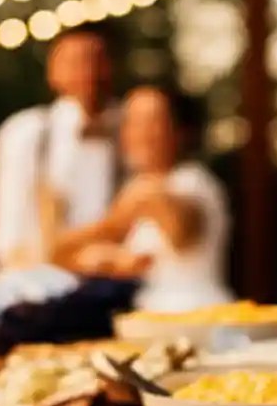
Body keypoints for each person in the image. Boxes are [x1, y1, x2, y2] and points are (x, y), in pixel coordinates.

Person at [52, 86, 234, 311]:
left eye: (154, 122)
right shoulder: (135, 188)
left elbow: (181, 230)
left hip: (198, 317)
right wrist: (110, 259)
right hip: (149, 322)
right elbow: (63, 252)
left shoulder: (195, 183)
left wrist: (137, 202)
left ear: (180, 130)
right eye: (133, 123)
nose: (142, 133)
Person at [0, 28, 120, 271]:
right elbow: (8, 230)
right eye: (75, 62)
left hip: (121, 277)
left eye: (96, 61)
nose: (88, 72)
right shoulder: (25, 132)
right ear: (53, 71)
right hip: (45, 278)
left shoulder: (132, 127)